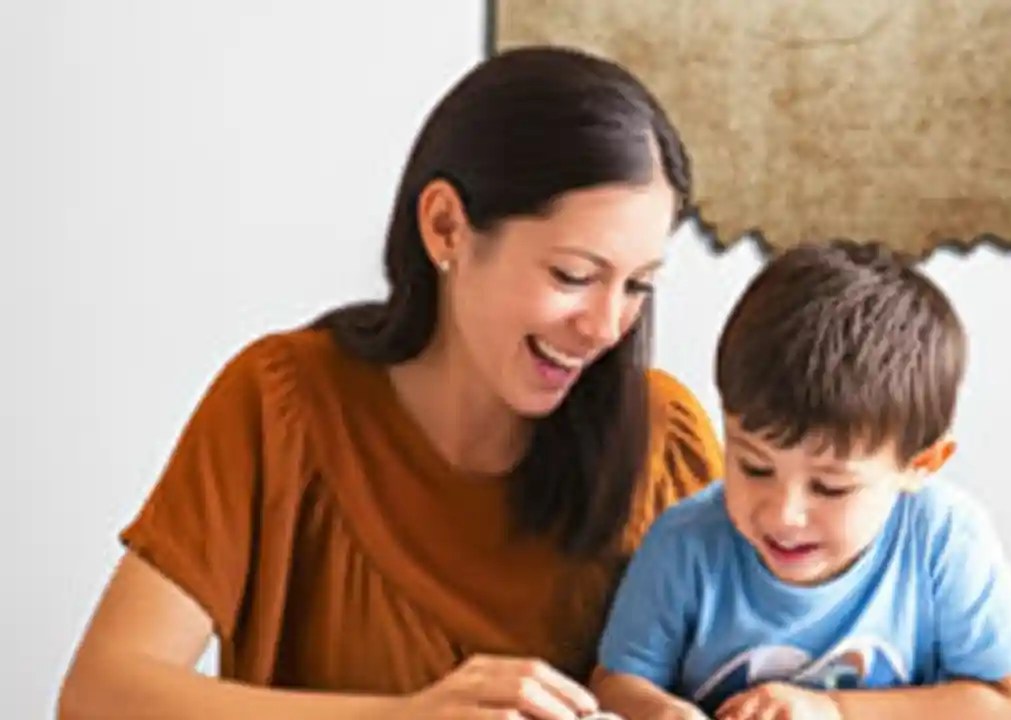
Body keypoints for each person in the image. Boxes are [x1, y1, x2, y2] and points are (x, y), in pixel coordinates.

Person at [57, 46, 724, 720]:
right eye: (573, 276)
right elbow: (98, 697)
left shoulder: (664, 442)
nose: (606, 327)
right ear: (445, 228)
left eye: (638, 286)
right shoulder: (283, 406)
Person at [591, 241, 1011, 719]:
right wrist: (665, 713)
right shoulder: (684, 544)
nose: (783, 514)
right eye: (754, 467)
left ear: (921, 464)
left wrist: (833, 709)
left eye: (831, 488)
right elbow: (614, 684)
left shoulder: (941, 538)